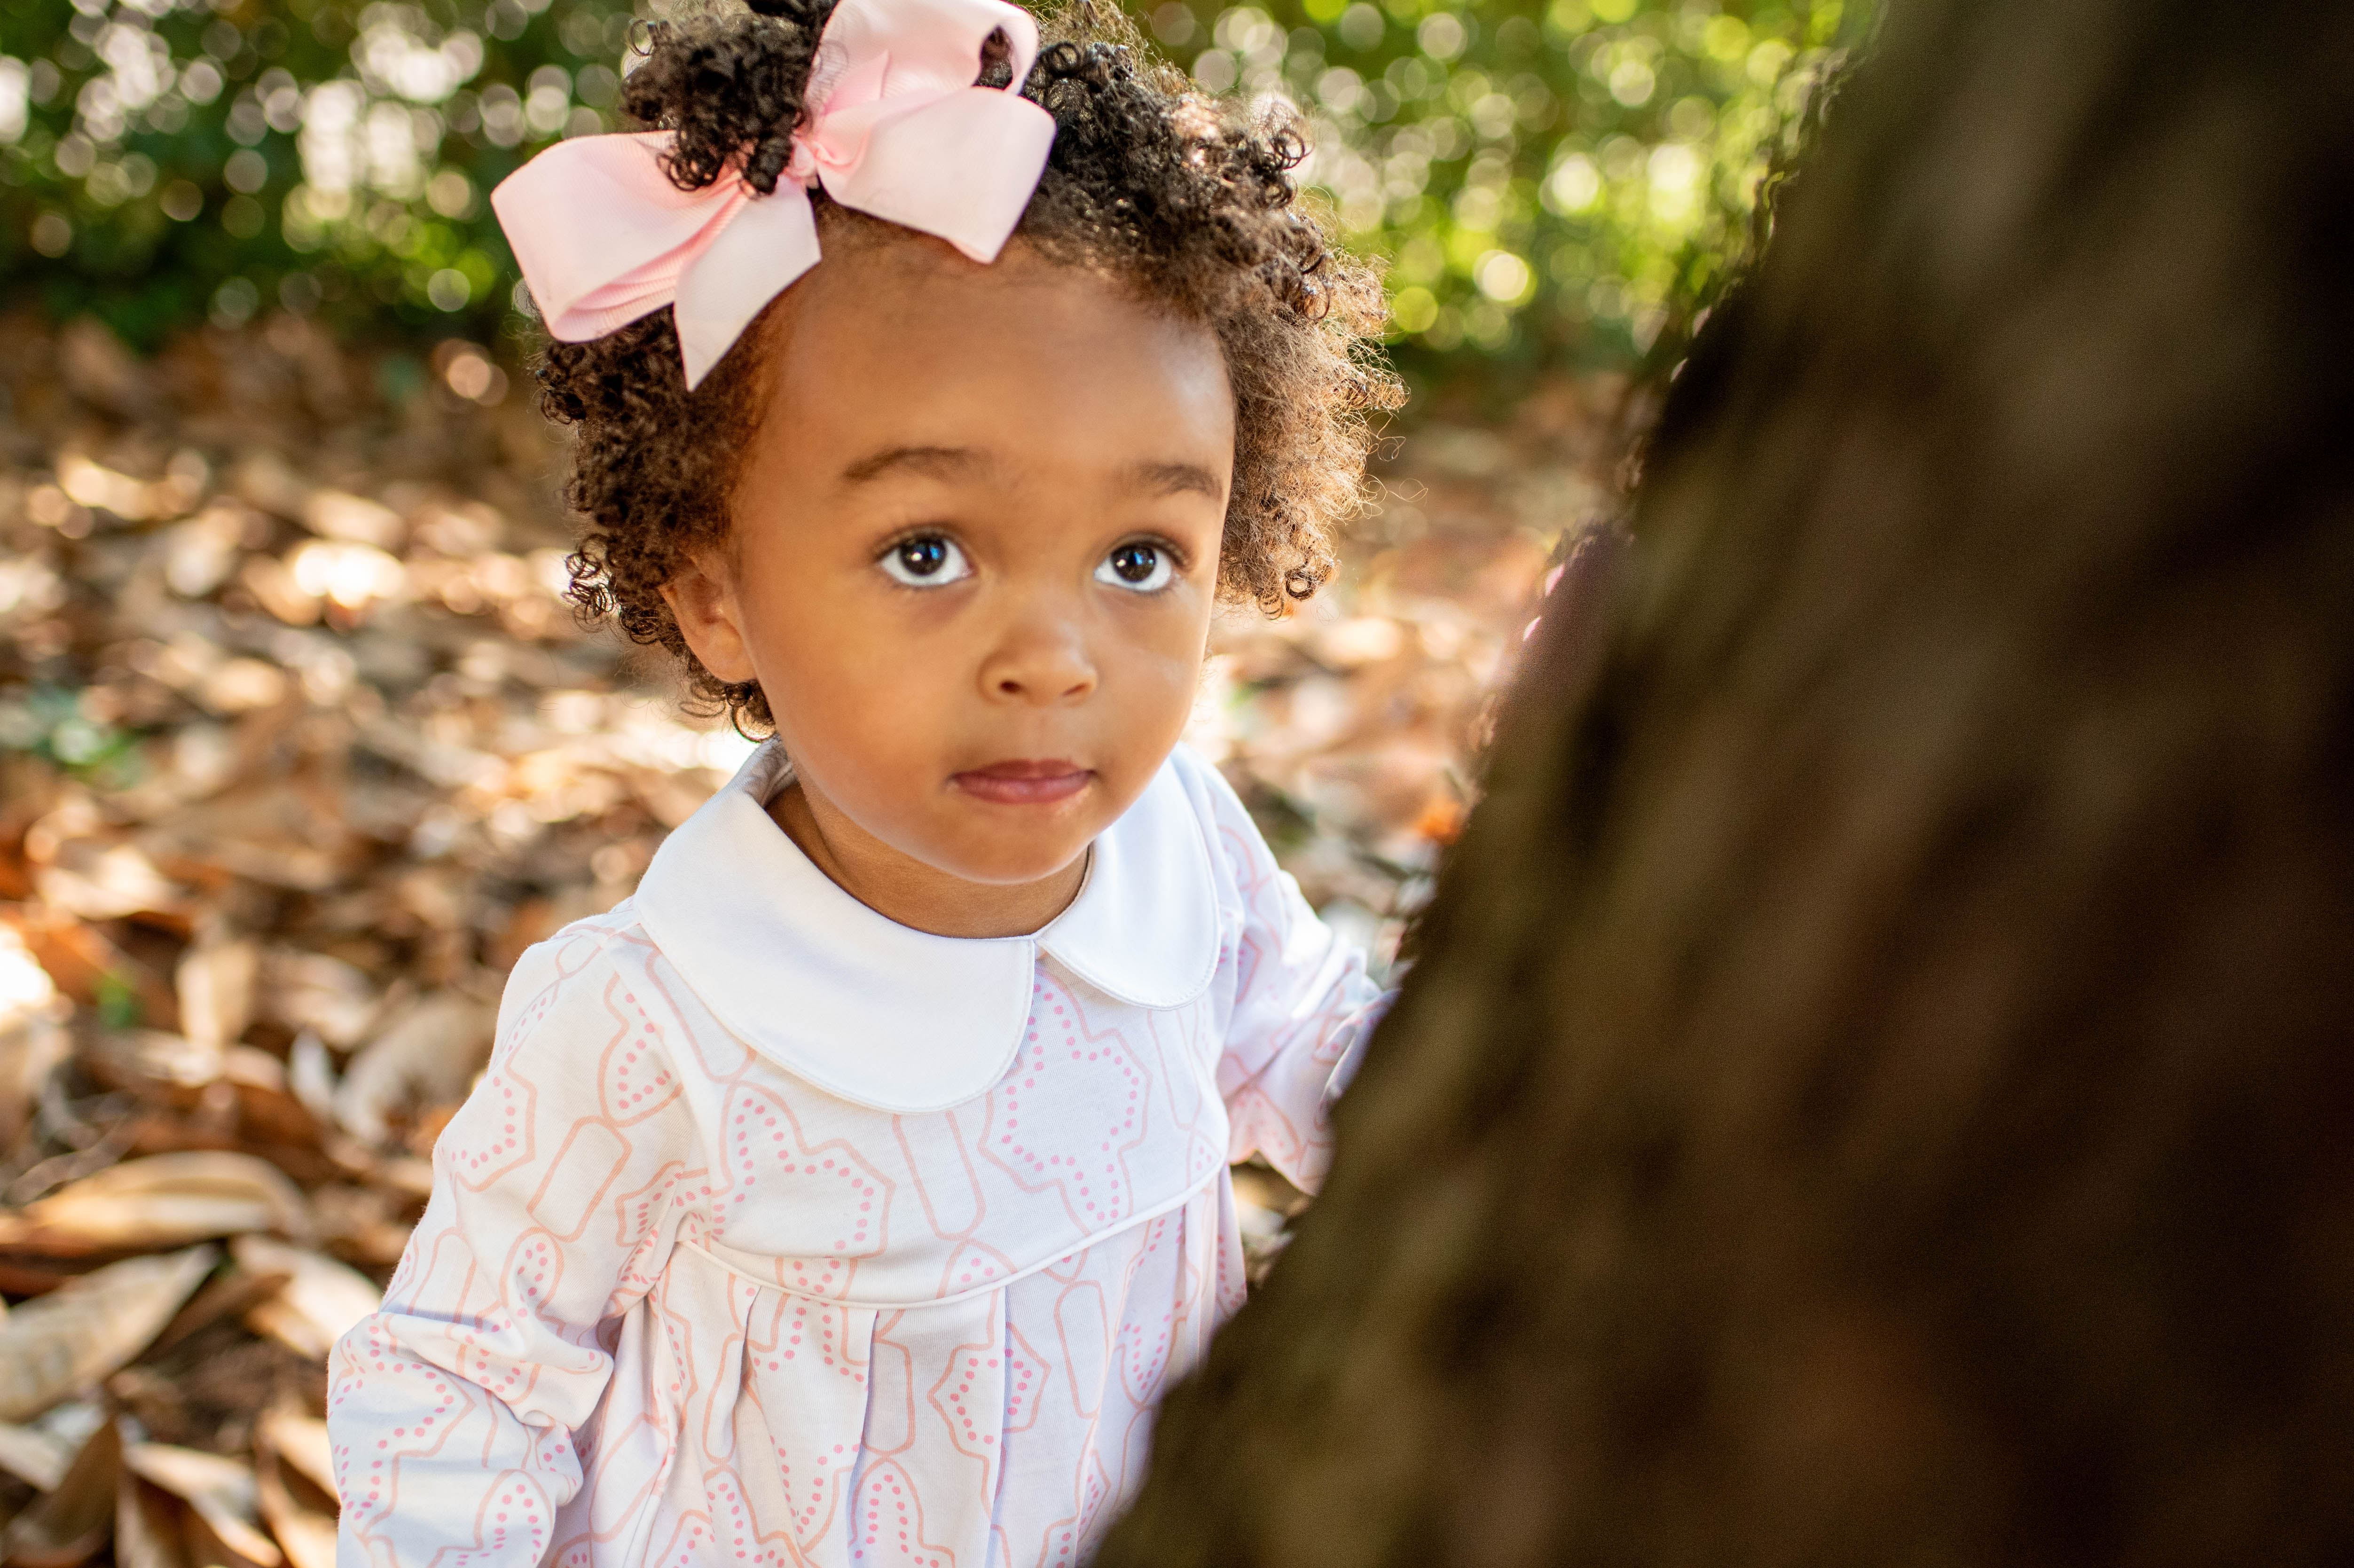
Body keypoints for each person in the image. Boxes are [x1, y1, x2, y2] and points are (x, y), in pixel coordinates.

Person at [323, 0, 1395, 1562]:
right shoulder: (648, 1022)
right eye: (927, 552)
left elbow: (1328, 1053)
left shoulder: (1187, 859)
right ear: (713, 591)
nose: (1055, 657)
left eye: (1141, 556)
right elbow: (464, 1391)